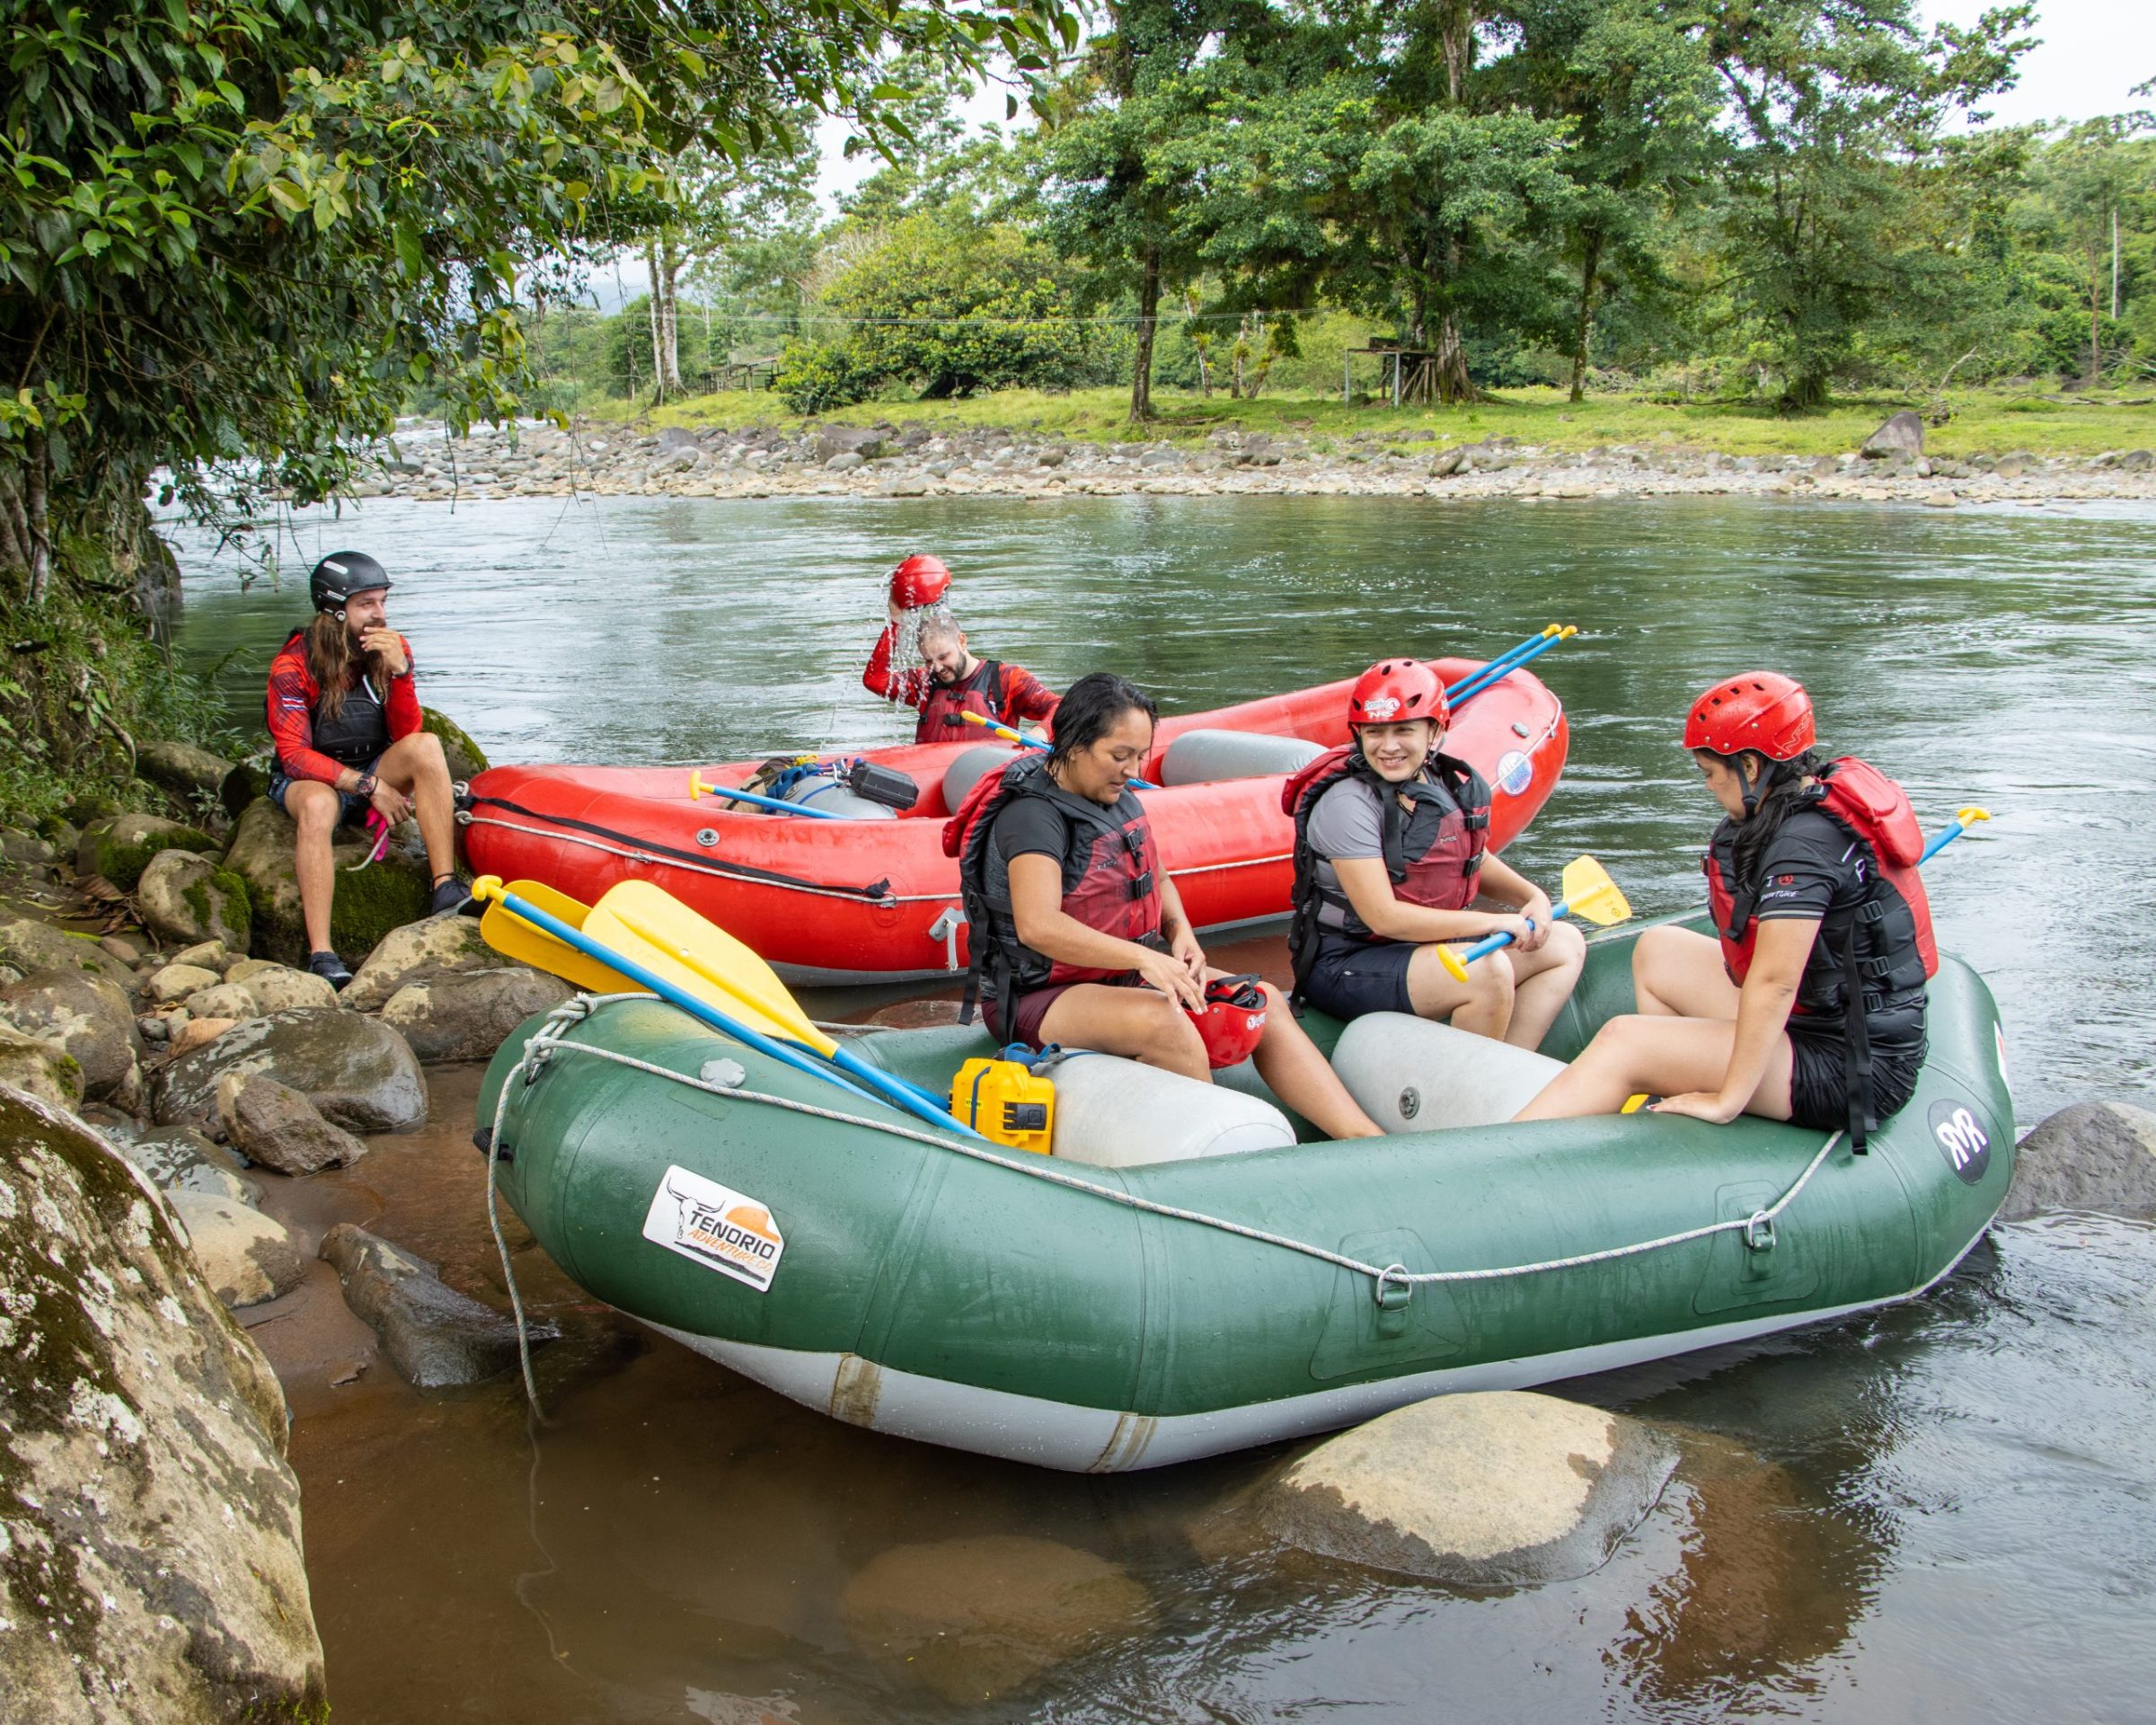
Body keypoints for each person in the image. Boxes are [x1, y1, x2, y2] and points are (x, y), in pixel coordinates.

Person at [946, 671, 1383, 1141]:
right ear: (1072, 743)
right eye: (1119, 755)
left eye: (1139, 755)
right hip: (1034, 995)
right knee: (1167, 1023)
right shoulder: (1032, 818)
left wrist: (1180, 933)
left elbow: (1155, 873)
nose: (1132, 770)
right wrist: (1144, 957)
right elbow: (1038, 927)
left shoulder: (1110, 795)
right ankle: (1228, 1149)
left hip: (1116, 976)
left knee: (1262, 1000)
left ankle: (1361, 1137)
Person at [1514, 672, 1935, 1145]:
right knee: (1659, 950)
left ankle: (1494, 1161)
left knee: (1626, 1041)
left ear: (1751, 767)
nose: (1710, 786)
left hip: (1852, 1065)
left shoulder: (1805, 848)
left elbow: (1776, 983)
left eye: (1711, 772)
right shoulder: (1802, 801)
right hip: (1821, 1019)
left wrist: (1727, 1100)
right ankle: (1672, 1094)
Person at [1285, 659, 1584, 1048]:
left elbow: (1469, 858)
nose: (1388, 746)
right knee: (1485, 969)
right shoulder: (1347, 803)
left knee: (1564, 942)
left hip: (1422, 952)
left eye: (1404, 730)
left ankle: (1510, 1066)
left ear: (1435, 732)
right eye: (1374, 732)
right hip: (1345, 965)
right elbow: (1383, 917)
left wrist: (1532, 897)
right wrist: (1489, 923)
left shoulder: (1436, 780)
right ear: (1358, 734)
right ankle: (1469, 1093)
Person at [264, 552, 465, 987]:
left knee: (428, 745)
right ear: (335, 610)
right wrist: (367, 785)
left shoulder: (391, 648)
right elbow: (294, 755)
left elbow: (407, 733)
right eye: (366, 604)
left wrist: (401, 673)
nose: (380, 615)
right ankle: (322, 953)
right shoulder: (291, 666)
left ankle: (445, 886)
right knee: (318, 805)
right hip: (311, 781)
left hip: (372, 764)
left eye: (383, 602)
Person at [863, 553, 1059, 744]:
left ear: (962, 641)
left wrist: (1041, 731)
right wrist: (896, 618)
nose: (938, 668)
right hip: (933, 775)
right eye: (929, 660)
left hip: (989, 773)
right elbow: (875, 680)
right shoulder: (924, 683)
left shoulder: (1006, 679)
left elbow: (1061, 707)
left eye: (943, 656)